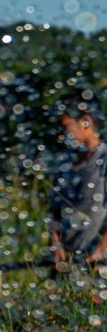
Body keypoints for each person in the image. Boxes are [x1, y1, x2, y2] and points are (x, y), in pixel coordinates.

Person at [50, 97, 107, 273]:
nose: (65, 134)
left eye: (67, 127)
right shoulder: (64, 164)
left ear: (86, 122)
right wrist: (55, 245)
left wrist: (100, 251)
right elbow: (55, 214)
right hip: (67, 264)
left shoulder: (104, 160)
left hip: (99, 265)